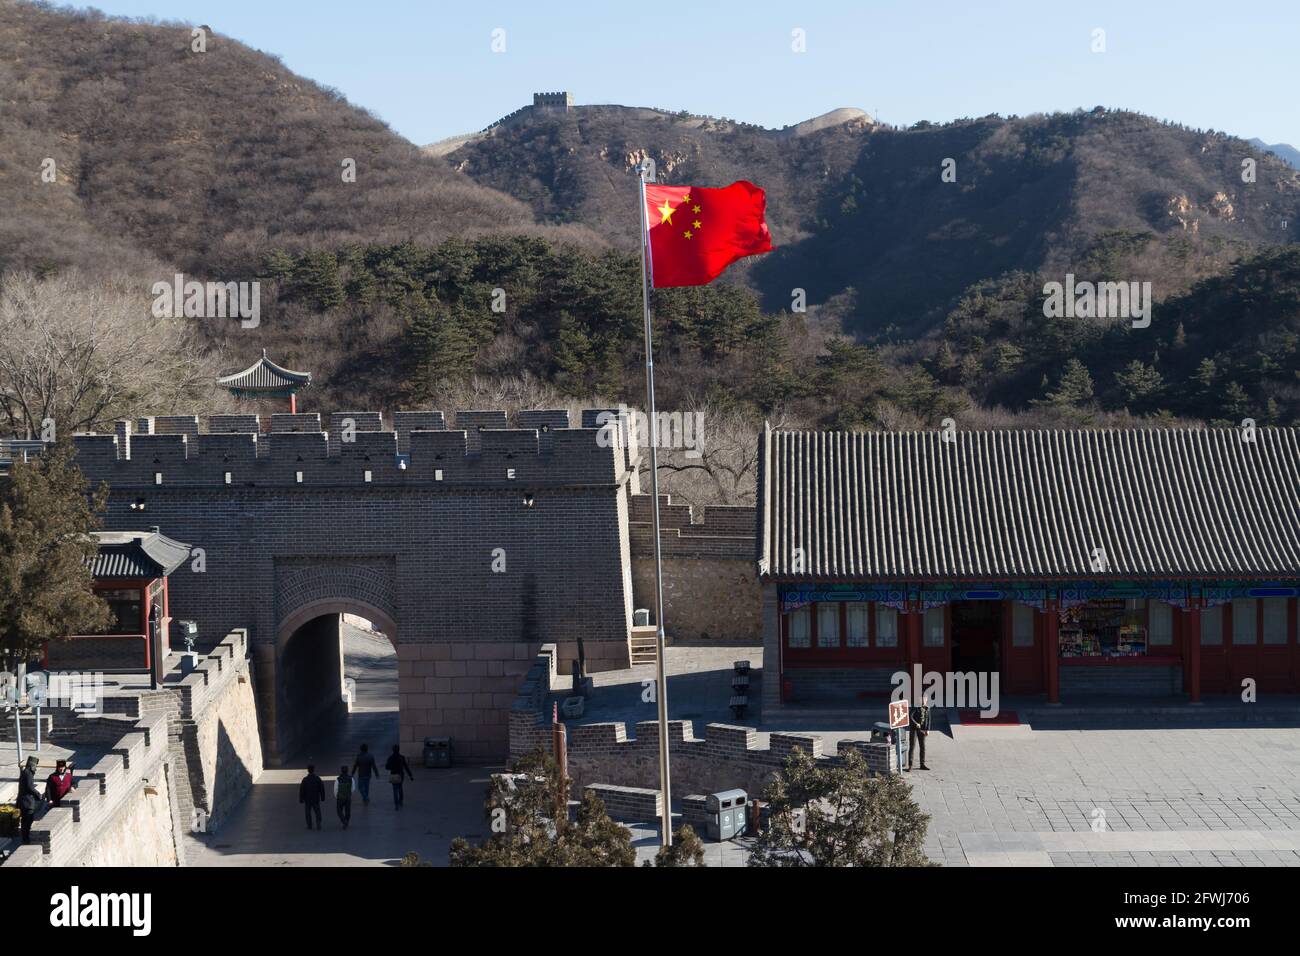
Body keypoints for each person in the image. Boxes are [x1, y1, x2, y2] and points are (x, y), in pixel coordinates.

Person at [17, 756, 44, 844]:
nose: (36, 768)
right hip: (26, 802)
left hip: (24, 801)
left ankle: (25, 837)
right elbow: (30, 787)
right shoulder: (28, 773)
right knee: (27, 821)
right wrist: (38, 794)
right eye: (35, 766)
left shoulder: (25, 772)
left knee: (26, 821)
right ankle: (26, 838)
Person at [384, 744, 414, 810]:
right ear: (398, 750)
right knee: (400, 788)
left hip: (393, 774)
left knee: (395, 790)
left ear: (393, 750)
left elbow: (387, 767)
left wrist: (392, 767)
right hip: (400, 774)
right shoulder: (402, 757)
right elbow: (406, 767)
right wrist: (410, 775)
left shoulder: (390, 757)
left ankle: (396, 804)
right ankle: (401, 800)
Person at [907, 695, 932, 771]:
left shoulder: (927, 708)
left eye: (925, 698)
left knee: (923, 747)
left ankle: (922, 764)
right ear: (919, 699)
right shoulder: (915, 707)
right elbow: (910, 716)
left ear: (926, 699)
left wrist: (927, 729)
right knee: (912, 746)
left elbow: (929, 719)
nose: (923, 700)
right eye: (922, 699)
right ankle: (910, 765)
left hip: (922, 730)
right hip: (914, 729)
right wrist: (916, 724)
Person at [299, 764, 325, 830]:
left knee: (308, 813)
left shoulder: (305, 780)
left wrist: (301, 799)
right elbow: (321, 788)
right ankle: (318, 823)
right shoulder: (317, 779)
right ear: (314, 770)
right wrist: (322, 797)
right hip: (316, 798)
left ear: (308, 770)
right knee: (317, 811)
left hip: (307, 799)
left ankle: (309, 825)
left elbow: (302, 790)